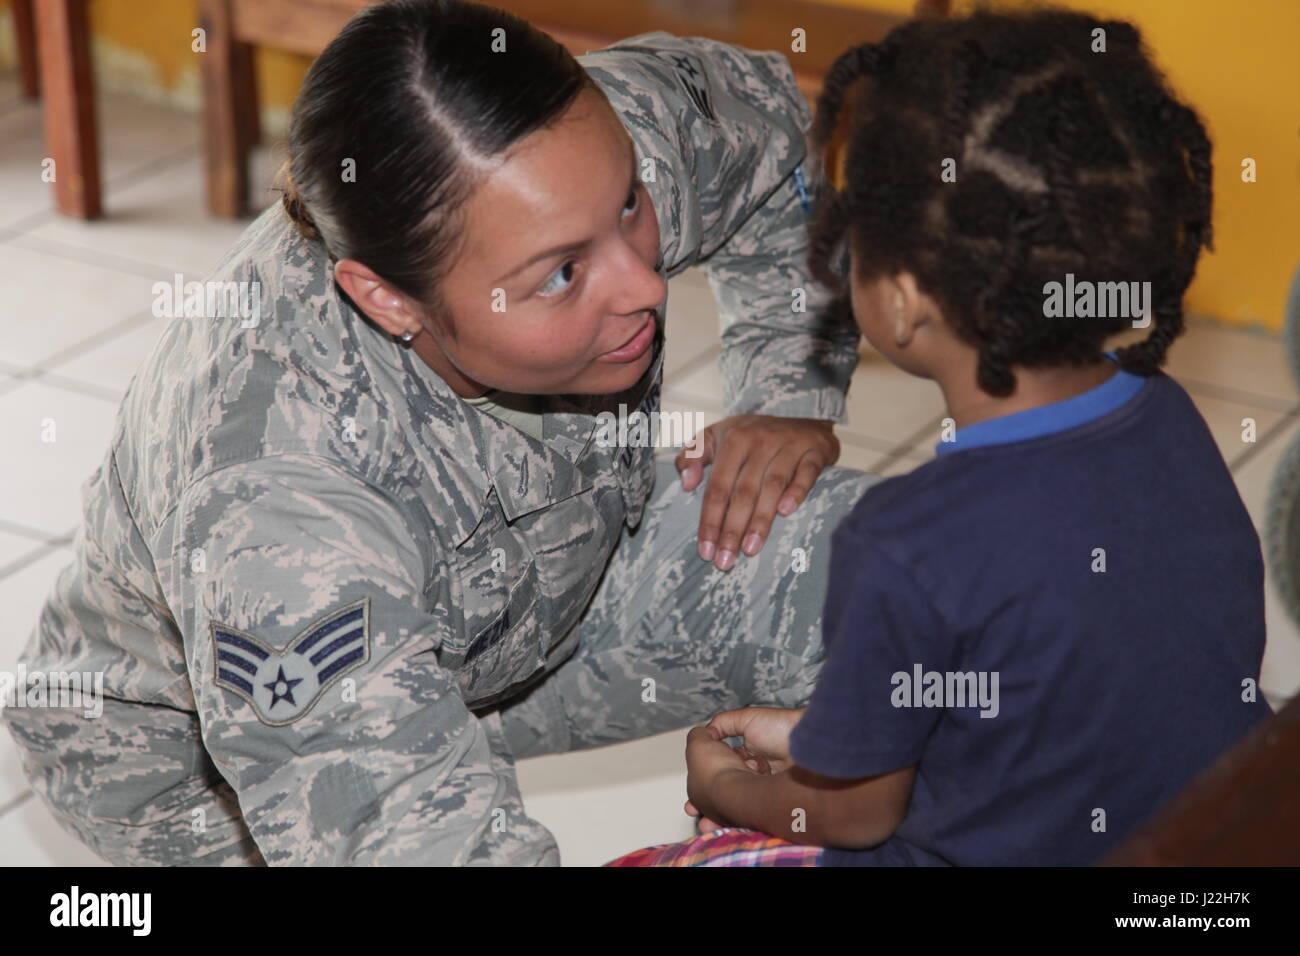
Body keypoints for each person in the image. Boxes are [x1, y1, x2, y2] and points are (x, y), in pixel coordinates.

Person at [0, 0, 874, 865]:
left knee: (894, 571)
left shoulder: (568, 156)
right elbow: (417, 839)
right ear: (386, 300)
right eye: (563, 274)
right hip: (213, 765)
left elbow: (770, 134)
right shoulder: (274, 504)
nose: (642, 283)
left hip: (533, 596)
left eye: (632, 207)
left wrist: (792, 385)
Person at [607, 7, 1274, 867]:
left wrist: (724, 786)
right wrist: (835, 733)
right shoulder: (1171, 415)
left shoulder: (905, 542)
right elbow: (1087, 684)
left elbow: (850, 817)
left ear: (903, 297)